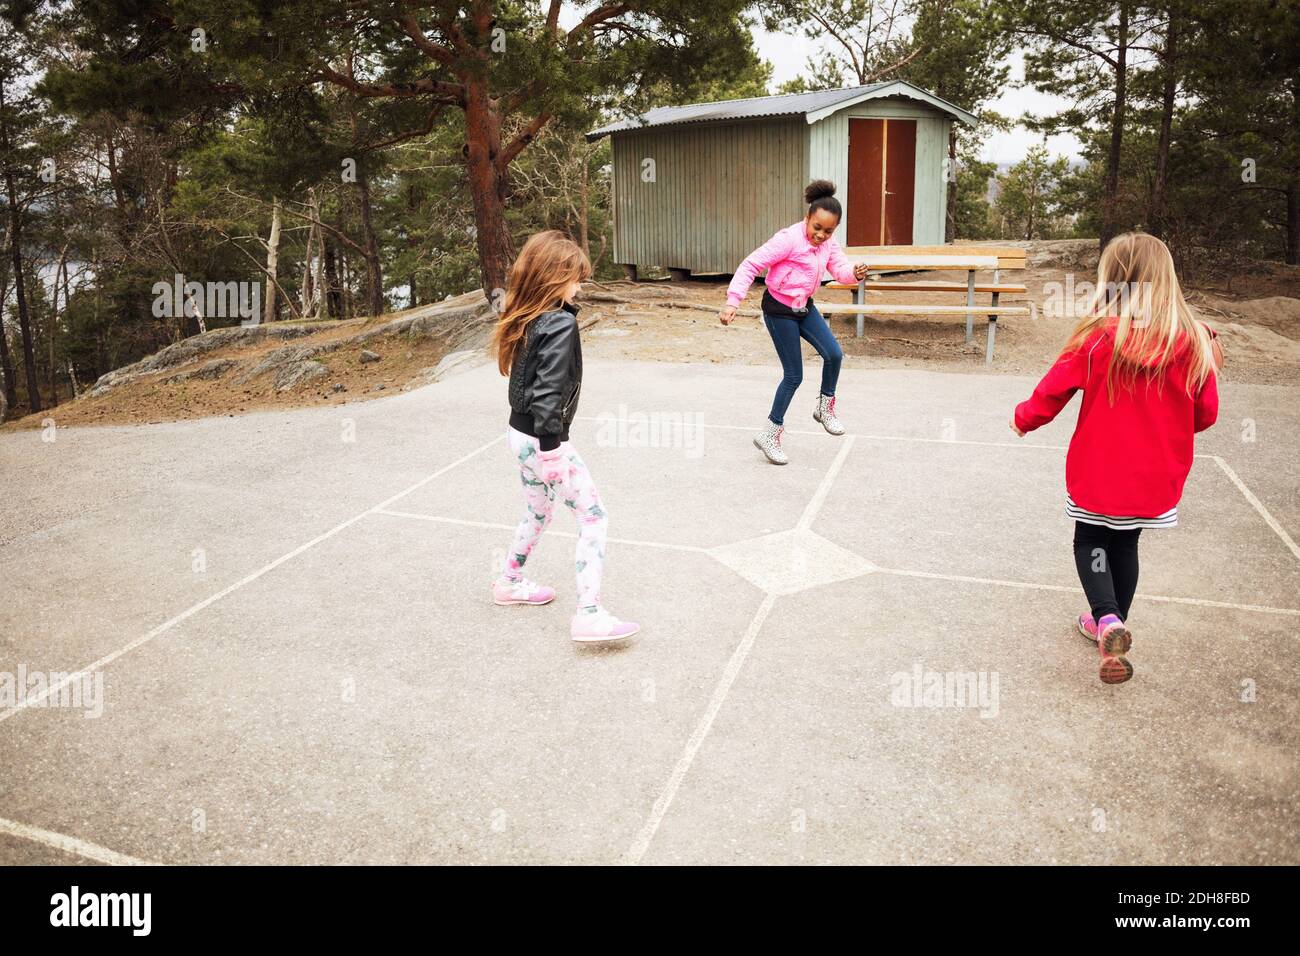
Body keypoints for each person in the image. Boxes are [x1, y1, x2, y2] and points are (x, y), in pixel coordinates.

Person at [1011, 232, 1221, 684]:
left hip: (1098, 469)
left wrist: (1025, 418)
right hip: (1155, 475)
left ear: (1114, 281)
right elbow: (1205, 415)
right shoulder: (1194, 342)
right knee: (1126, 544)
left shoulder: (1097, 337)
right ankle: (1115, 623)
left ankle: (1105, 619)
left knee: (1090, 541)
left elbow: (1053, 389)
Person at [489, 231, 639, 643]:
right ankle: (589, 614)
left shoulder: (528, 314)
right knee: (593, 517)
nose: (579, 286)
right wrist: (553, 450)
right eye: (575, 278)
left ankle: (509, 580)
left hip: (518, 436)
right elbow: (548, 392)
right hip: (544, 441)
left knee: (538, 512)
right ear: (554, 278)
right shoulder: (558, 322)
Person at [720, 179, 870, 465]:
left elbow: (838, 268)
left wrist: (854, 273)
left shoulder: (828, 242)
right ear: (807, 219)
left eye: (828, 231)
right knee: (794, 376)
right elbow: (750, 264)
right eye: (817, 228)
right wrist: (733, 301)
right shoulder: (788, 239)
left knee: (834, 354)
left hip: (804, 307)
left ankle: (825, 408)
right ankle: (770, 433)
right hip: (778, 310)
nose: (821, 236)